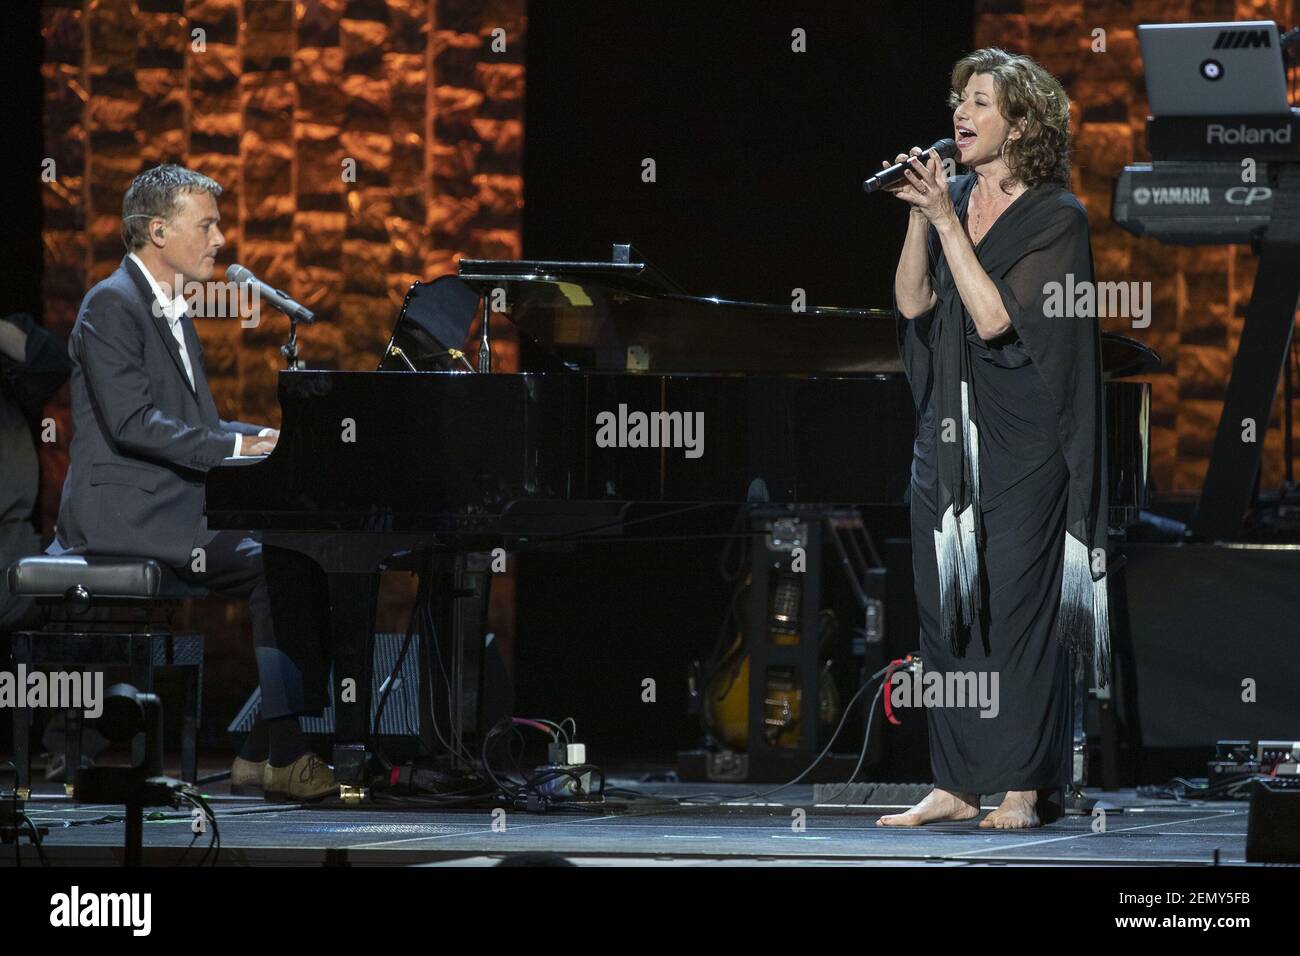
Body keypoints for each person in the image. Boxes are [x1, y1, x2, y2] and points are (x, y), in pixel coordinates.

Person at [877, 48, 1110, 829]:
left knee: (1015, 609)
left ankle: (1021, 785)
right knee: (944, 602)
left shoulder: (1056, 216)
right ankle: (955, 779)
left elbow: (995, 319)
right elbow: (913, 305)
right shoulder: (954, 197)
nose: (960, 114)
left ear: (1021, 123)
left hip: (1025, 437)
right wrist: (923, 214)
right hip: (947, 430)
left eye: (979, 102)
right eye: (958, 99)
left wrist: (949, 222)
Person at [53, 164, 336, 800]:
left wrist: (260, 438)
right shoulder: (111, 304)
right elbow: (133, 425)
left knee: (300, 557)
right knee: (276, 562)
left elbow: (193, 425)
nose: (221, 239)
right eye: (206, 224)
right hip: (125, 515)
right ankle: (283, 752)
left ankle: (260, 750)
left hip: (170, 507)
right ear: (158, 231)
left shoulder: (173, 310)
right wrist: (236, 446)